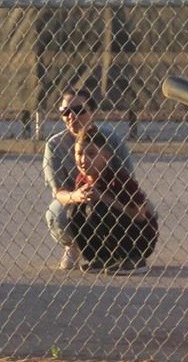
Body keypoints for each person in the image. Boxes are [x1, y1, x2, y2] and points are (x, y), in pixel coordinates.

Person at [43, 86, 138, 270]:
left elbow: (129, 180)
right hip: (76, 201)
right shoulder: (55, 145)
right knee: (57, 214)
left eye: (79, 110)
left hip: (109, 197)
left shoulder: (110, 139)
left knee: (142, 207)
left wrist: (104, 195)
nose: (72, 116)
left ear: (92, 112)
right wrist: (76, 196)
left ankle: (122, 249)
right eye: (65, 111)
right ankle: (75, 245)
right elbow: (59, 192)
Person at [68, 129, 158, 274]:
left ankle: (133, 258)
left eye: (91, 154)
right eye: (79, 154)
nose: (83, 159)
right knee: (74, 210)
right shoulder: (81, 179)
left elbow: (140, 215)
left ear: (106, 157)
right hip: (109, 238)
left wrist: (104, 198)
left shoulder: (118, 179)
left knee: (99, 207)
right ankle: (101, 257)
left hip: (139, 238)